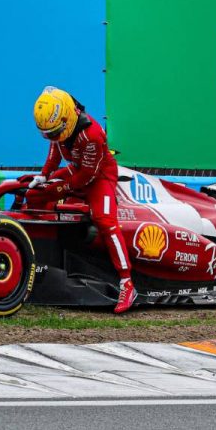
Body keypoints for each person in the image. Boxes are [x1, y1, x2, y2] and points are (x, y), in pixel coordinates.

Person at [25, 87, 135, 314]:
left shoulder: (92, 134)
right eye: (48, 134)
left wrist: (58, 187)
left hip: (99, 177)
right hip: (77, 170)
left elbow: (87, 176)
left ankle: (127, 282)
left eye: (54, 133)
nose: (52, 138)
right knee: (33, 195)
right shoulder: (60, 125)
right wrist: (44, 176)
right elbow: (55, 151)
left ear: (66, 120)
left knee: (105, 221)